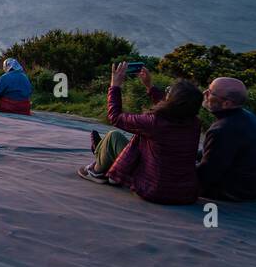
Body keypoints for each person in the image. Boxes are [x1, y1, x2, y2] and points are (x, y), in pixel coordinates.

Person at [78, 63, 202, 205]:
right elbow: (174, 110)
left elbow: (115, 117)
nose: (166, 93)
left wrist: (115, 86)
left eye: (168, 91)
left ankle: (97, 170)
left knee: (114, 136)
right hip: (185, 193)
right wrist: (149, 86)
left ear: (172, 101)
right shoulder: (194, 123)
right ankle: (101, 149)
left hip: (153, 189)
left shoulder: (154, 123)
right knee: (138, 140)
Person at [196, 77, 256, 201]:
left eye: (210, 92)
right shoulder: (246, 116)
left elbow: (207, 174)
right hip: (252, 188)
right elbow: (212, 153)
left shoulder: (223, 129)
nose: (204, 93)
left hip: (233, 192)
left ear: (227, 104)